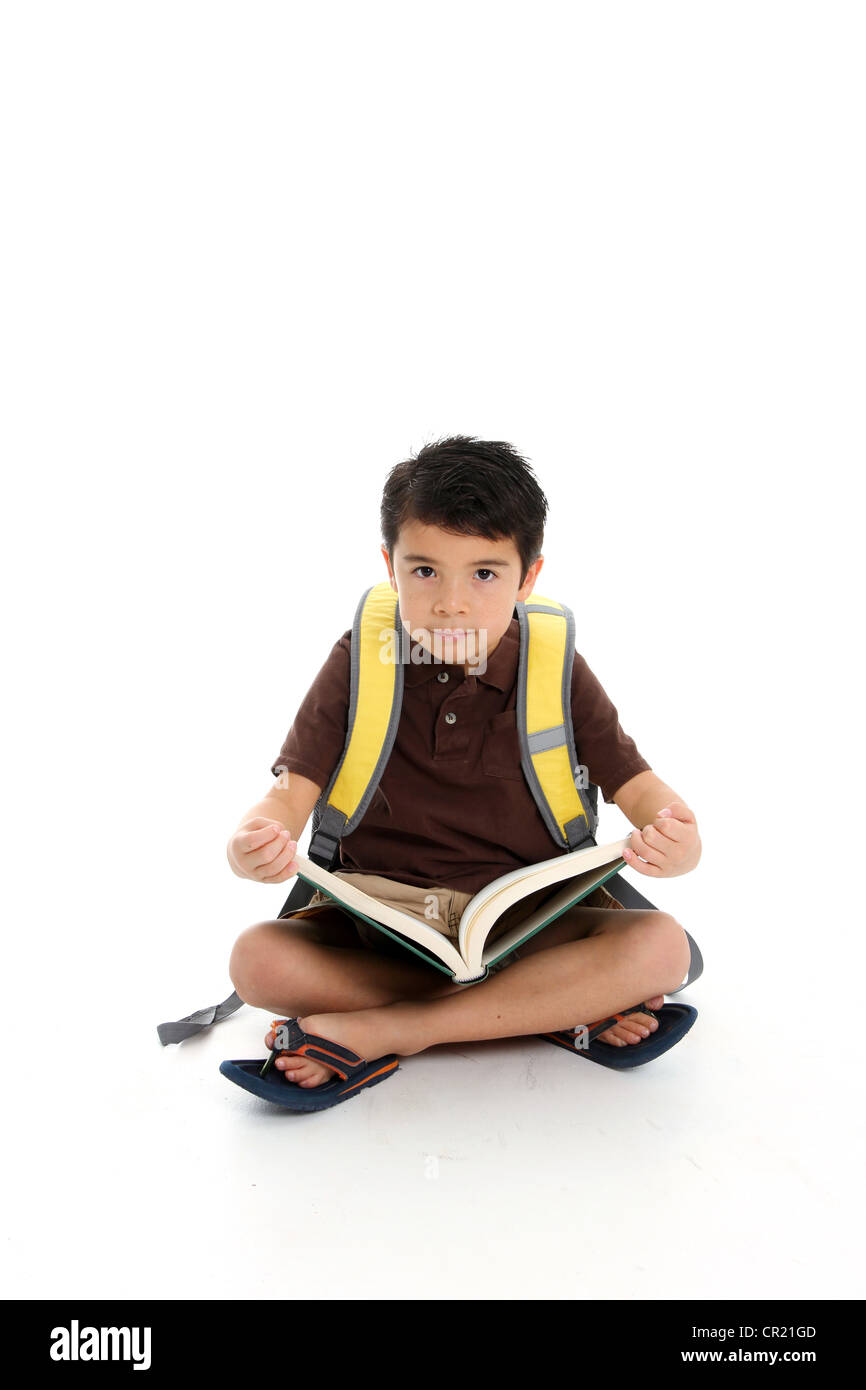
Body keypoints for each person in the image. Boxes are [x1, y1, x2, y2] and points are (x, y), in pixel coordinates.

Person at [226, 436, 700, 1089]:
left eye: (484, 573)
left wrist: (679, 836)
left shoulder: (551, 664)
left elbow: (637, 786)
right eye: (425, 572)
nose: (452, 602)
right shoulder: (363, 658)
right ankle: (536, 1007)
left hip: (529, 923)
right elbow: (290, 792)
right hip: (384, 929)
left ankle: (392, 1030)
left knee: (661, 946)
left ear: (527, 577)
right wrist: (254, 839)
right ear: (389, 565)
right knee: (257, 962)